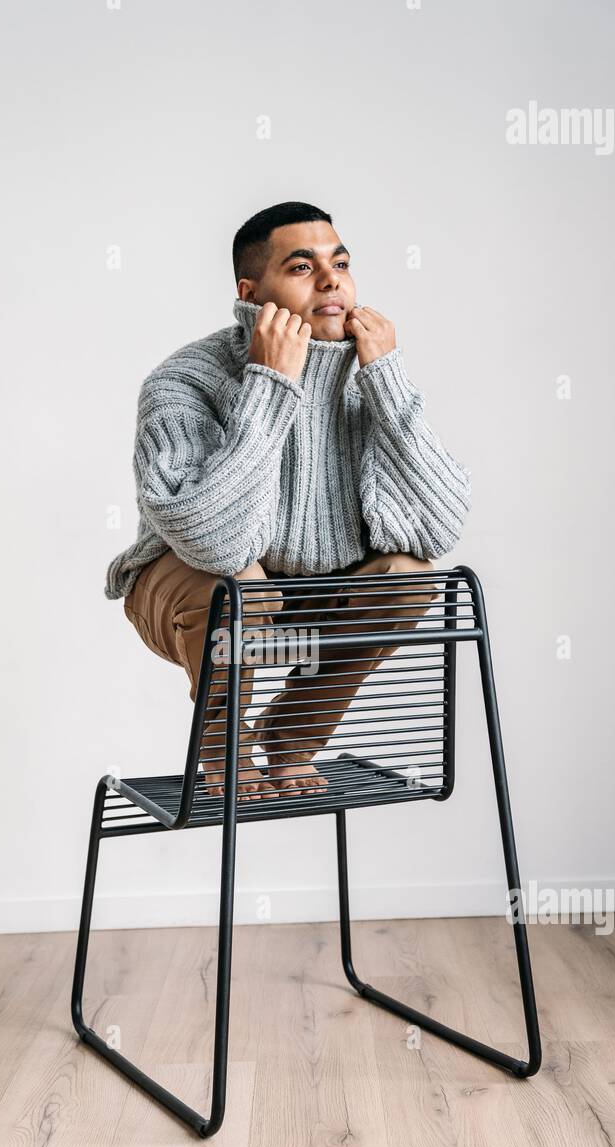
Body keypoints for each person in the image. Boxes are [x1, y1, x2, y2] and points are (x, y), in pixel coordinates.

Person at [106, 201, 471, 800]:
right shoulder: (182, 381)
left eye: (341, 263)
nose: (332, 280)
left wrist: (391, 383)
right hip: (191, 593)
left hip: (309, 603)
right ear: (252, 293)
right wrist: (272, 384)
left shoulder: (368, 375)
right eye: (302, 267)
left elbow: (440, 528)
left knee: (410, 576)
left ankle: (292, 735)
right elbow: (214, 542)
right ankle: (222, 741)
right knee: (241, 581)